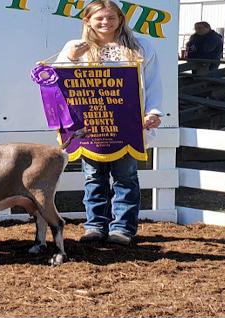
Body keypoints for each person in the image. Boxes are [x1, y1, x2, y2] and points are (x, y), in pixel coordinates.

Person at [55, 0, 162, 246]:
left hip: (128, 123)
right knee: (93, 177)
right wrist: (71, 59)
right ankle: (95, 226)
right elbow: (58, 80)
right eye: (99, 18)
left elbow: (153, 81)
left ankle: (122, 228)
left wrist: (153, 111)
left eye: (111, 17)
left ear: (120, 19)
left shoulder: (140, 46)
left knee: (126, 176)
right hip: (91, 123)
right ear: (87, 21)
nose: (106, 22)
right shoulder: (74, 47)